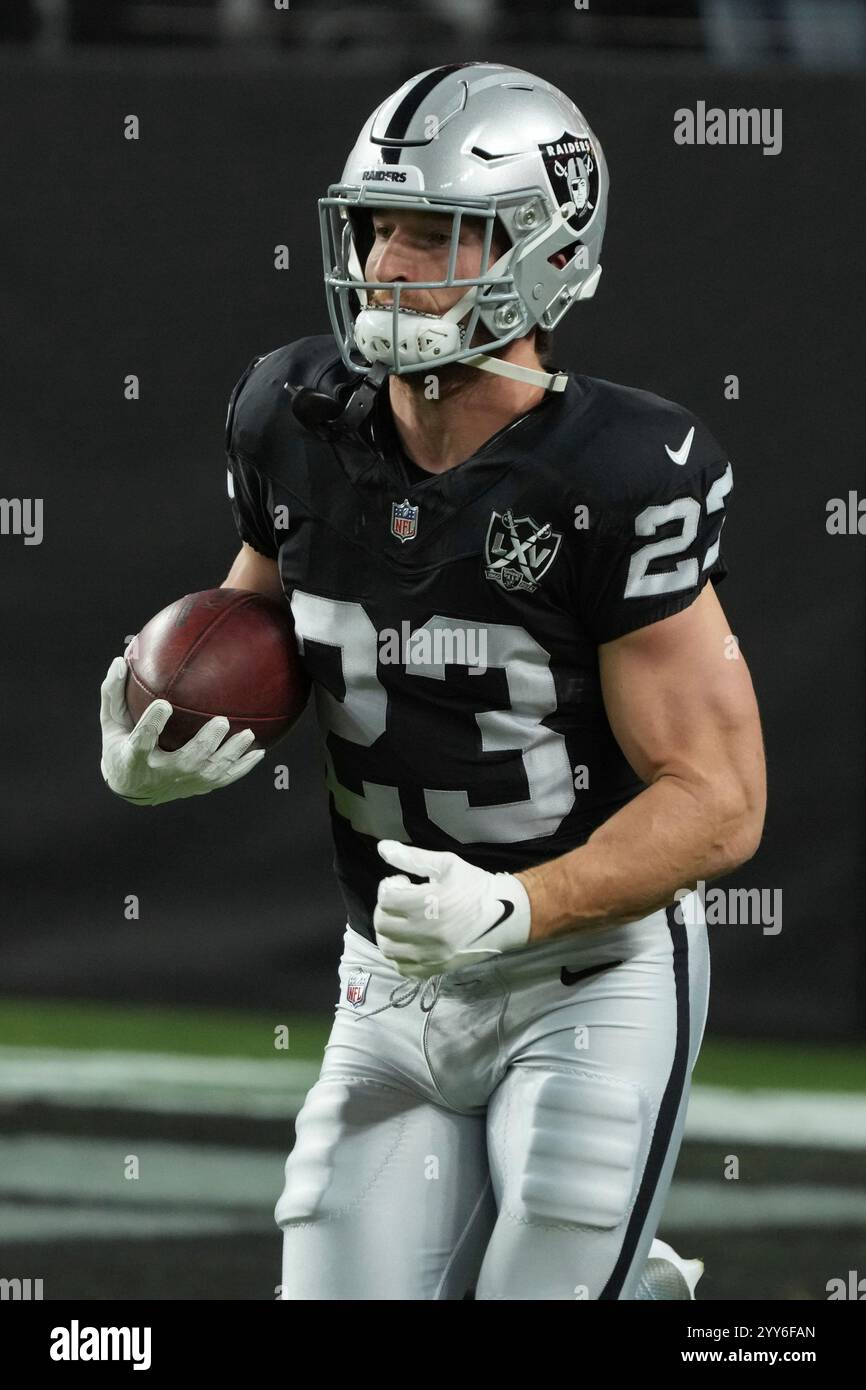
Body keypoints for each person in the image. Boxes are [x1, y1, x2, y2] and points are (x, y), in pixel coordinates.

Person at [100, 62, 766, 1299]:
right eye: (374, 225)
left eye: (434, 231)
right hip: (389, 976)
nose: (389, 262)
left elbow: (720, 799)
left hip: (589, 974)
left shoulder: (618, 474)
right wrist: (156, 721)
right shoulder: (291, 413)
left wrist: (520, 906)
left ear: (541, 250)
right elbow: (260, 620)